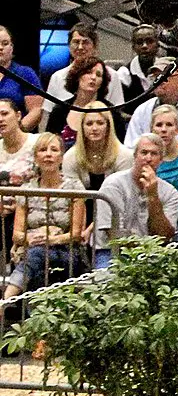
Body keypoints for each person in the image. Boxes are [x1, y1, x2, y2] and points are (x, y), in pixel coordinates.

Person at [4, 133, 86, 297]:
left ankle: (7, 297)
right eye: (42, 150)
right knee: (38, 271)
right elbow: (17, 234)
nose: (48, 154)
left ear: (61, 157)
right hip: (34, 248)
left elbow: (77, 234)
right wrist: (32, 237)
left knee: (37, 253)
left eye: (54, 150)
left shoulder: (74, 187)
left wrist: (51, 239)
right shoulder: (27, 190)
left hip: (67, 250)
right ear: (35, 158)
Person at [93, 134, 178, 269]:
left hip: (152, 254)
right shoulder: (113, 184)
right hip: (111, 252)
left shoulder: (170, 192)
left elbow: (163, 236)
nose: (148, 159)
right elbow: (114, 235)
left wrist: (153, 196)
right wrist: (143, 249)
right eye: (144, 153)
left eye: (154, 154)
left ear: (161, 160)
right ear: (135, 156)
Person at [61, 101, 133, 237]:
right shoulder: (70, 157)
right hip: (79, 216)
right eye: (89, 124)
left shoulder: (125, 156)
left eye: (100, 123)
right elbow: (70, 200)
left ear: (108, 125)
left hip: (115, 216)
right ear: (81, 127)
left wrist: (91, 230)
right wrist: (79, 231)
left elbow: (121, 201)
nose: (94, 128)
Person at [42, 22, 123, 131]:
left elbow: (117, 110)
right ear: (69, 46)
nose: (80, 47)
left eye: (85, 42)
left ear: (94, 46)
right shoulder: (57, 77)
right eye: (76, 42)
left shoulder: (112, 75)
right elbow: (48, 114)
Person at [123, 56, 178, 152]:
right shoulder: (141, 110)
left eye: (165, 76)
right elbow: (131, 148)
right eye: (155, 77)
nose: (159, 81)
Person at [46, 56, 124, 150]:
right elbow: (48, 143)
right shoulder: (59, 110)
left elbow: (119, 146)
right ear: (78, 76)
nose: (93, 77)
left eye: (98, 75)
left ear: (102, 82)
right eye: (88, 72)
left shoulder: (112, 112)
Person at [0, 98, 37, 248]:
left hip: (32, 210)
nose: (0, 120)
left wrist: (20, 205)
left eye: (4, 114)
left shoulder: (38, 143)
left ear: (18, 115)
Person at [0, 25, 42, 125]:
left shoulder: (25, 73)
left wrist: (15, 133)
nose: (0, 48)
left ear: (12, 47)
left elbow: (36, 111)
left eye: (5, 44)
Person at [115, 24, 160, 104]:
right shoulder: (124, 73)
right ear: (133, 47)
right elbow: (118, 108)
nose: (144, 46)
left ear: (157, 45)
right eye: (139, 42)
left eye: (149, 41)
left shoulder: (165, 71)